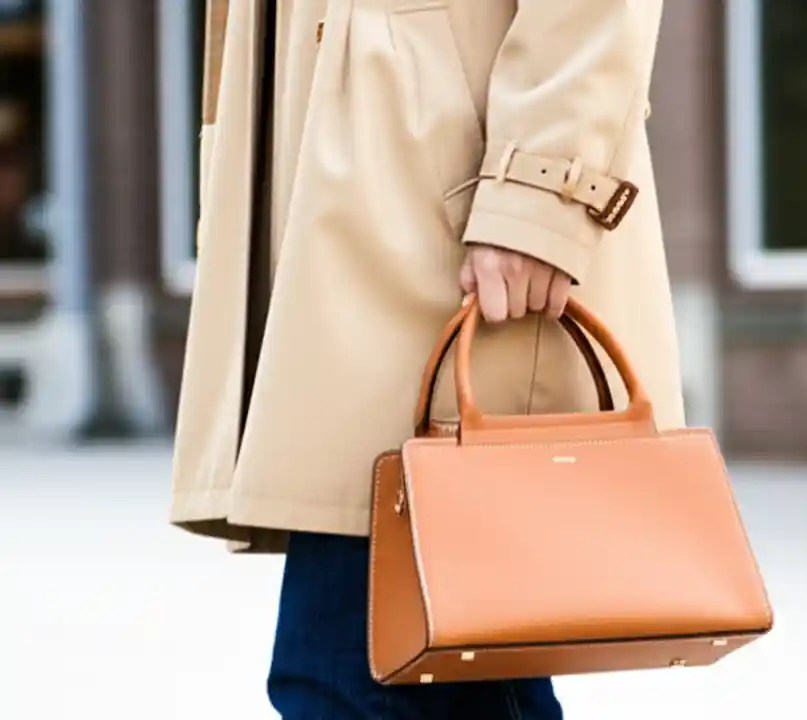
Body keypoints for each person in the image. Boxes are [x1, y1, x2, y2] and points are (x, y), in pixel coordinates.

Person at [169, 1, 685, 717]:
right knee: (388, 669)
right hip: (362, 219)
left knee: (366, 676)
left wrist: (537, 192)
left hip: (442, 217)